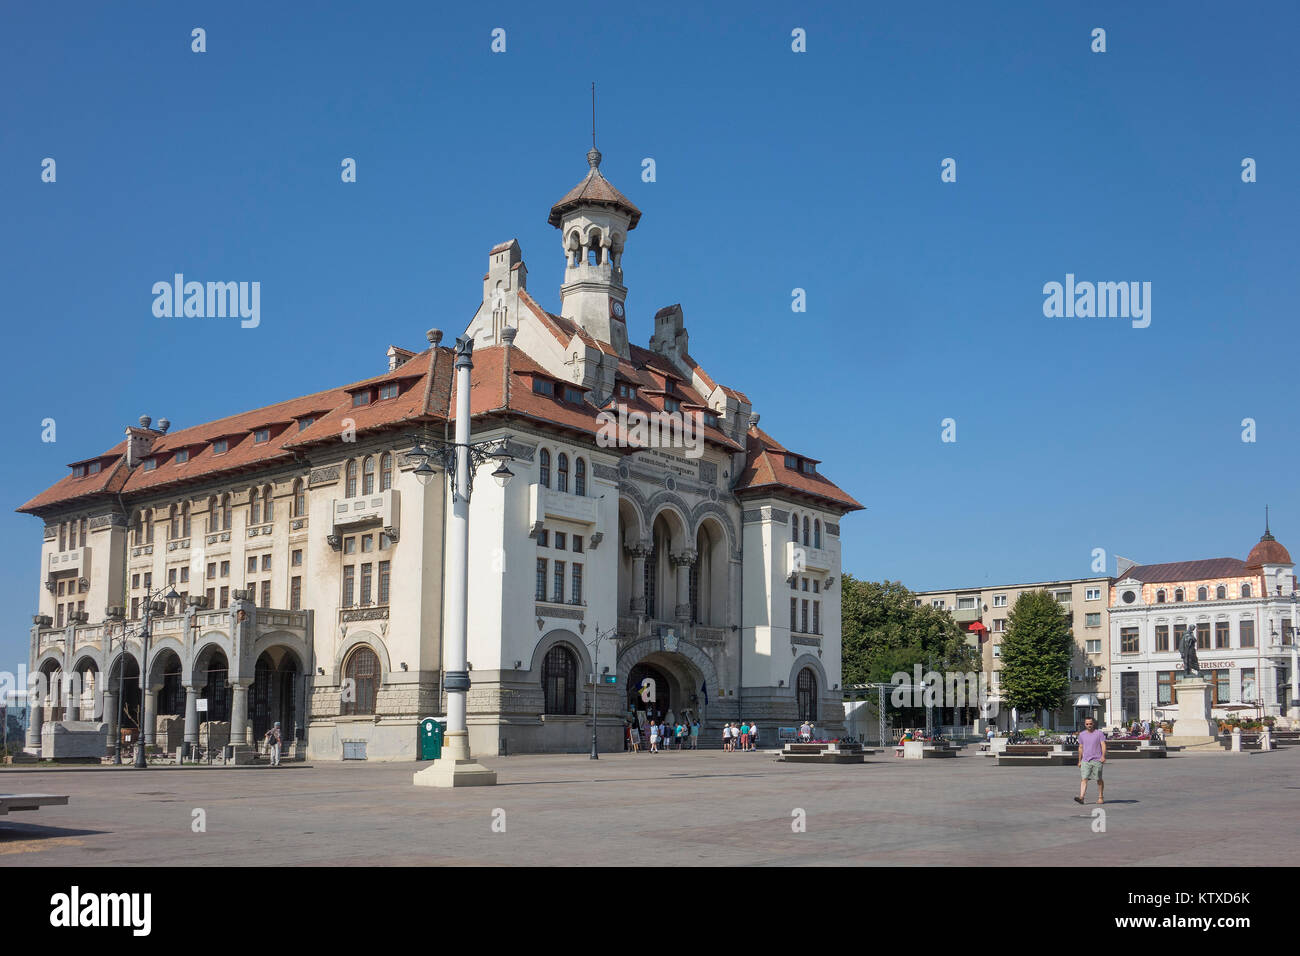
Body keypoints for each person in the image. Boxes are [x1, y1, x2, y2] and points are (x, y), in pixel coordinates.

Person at [1074, 716, 1106, 805]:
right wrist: (1079, 760)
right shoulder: (1082, 734)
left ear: (1093, 724)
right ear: (1085, 724)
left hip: (1097, 760)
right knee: (1084, 778)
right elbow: (1080, 747)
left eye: (1090, 724)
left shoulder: (1099, 733)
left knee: (1098, 779)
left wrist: (1103, 756)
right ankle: (1081, 797)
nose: (1089, 725)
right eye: (1087, 724)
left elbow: (1103, 745)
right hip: (1085, 760)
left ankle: (1100, 797)